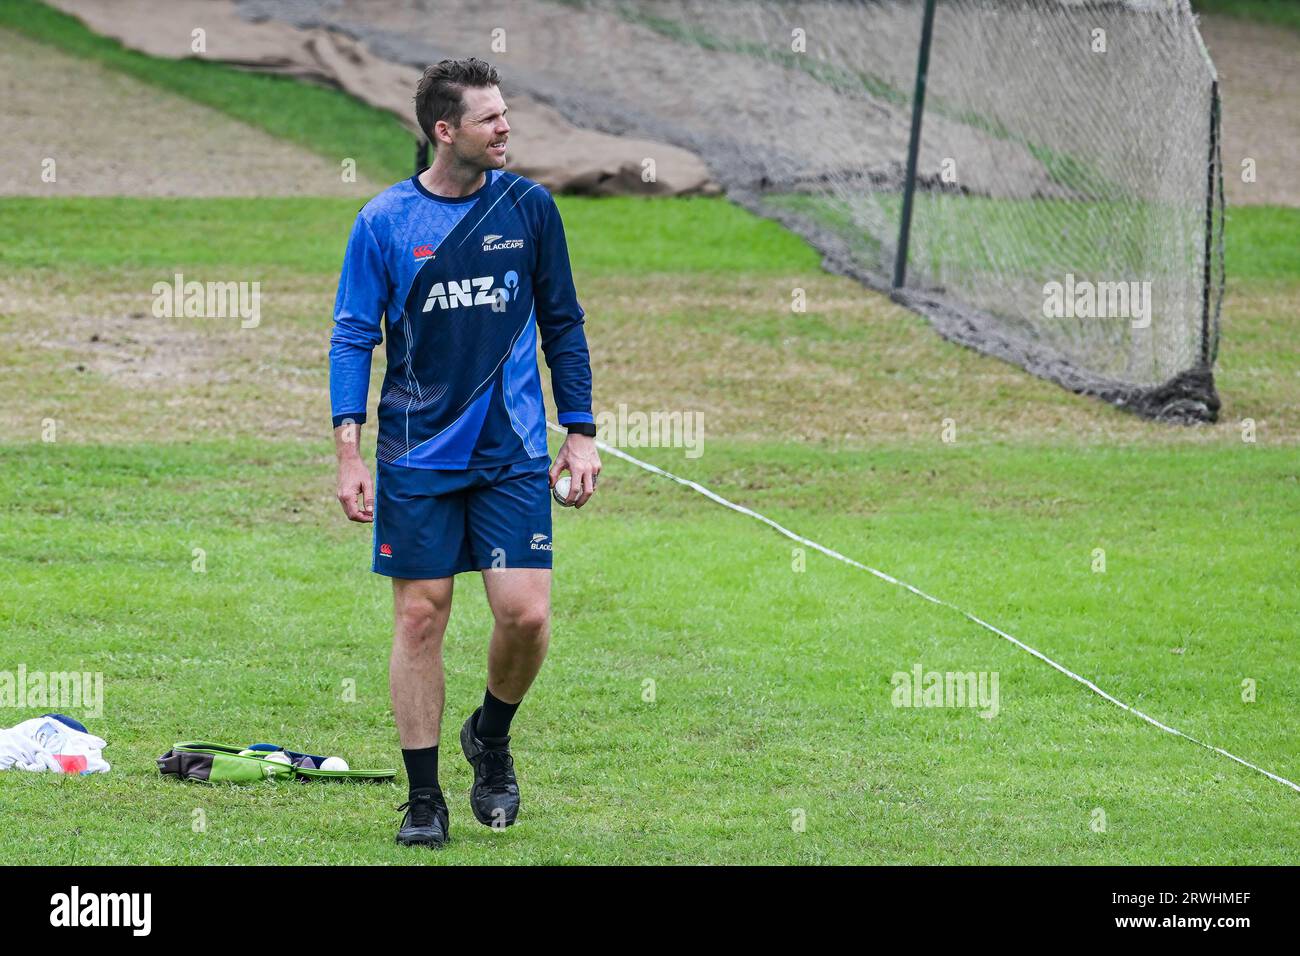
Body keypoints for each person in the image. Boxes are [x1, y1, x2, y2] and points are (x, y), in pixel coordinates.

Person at [328, 57, 599, 847]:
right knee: (421, 616)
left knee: (525, 614)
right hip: (416, 456)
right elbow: (353, 333)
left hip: (512, 450)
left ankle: (492, 737)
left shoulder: (530, 209)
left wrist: (579, 431)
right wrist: (350, 452)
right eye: (490, 119)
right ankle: (423, 800)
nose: (506, 128)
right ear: (445, 131)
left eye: (506, 114)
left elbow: (564, 322)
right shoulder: (384, 222)